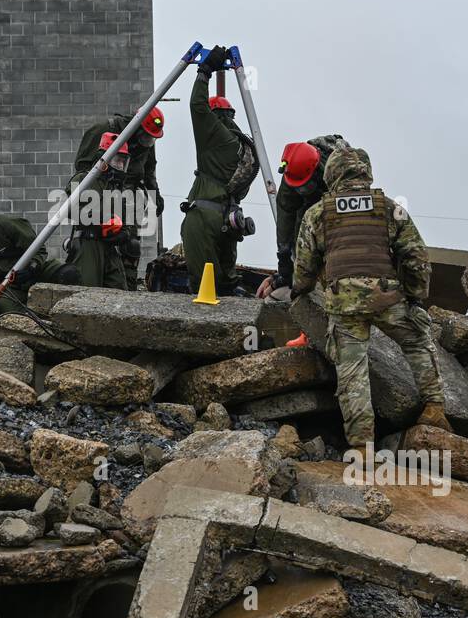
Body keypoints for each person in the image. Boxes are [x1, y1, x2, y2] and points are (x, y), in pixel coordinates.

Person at [290, 146, 450, 456]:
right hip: (386, 296)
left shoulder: (318, 212)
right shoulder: (390, 209)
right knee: (417, 342)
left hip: (343, 303)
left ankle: (362, 448)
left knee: (352, 373)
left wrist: (302, 288)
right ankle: (434, 408)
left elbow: (304, 266)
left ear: (331, 175)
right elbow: (416, 256)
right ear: (366, 172)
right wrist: (415, 297)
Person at [178, 45, 259, 296]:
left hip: (203, 220)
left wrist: (204, 71)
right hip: (228, 219)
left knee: (203, 290)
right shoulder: (243, 145)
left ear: (216, 116)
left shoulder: (214, 135)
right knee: (225, 286)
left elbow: (197, 106)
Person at [73, 106, 165, 288]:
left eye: (151, 138)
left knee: (130, 244)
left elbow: (149, 170)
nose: (147, 142)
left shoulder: (145, 143)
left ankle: (128, 286)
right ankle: (98, 275)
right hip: (103, 191)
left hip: (129, 195)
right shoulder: (103, 131)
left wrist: (155, 193)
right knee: (102, 238)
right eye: (146, 136)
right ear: (137, 127)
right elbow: (82, 166)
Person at [257, 135, 348, 300]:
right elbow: (285, 215)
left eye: (304, 187)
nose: (301, 190)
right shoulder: (292, 171)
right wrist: (284, 260)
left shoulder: (338, 171)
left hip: (334, 204)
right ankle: (299, 275)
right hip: (310, 199)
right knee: (300, 229)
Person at [64, 132, 132, 290]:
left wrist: (124, 233)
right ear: (105, 159)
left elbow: (126, 222)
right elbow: (69, 210)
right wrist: (100, 218)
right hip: (88, 245)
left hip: (110, 247)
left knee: (120, 293)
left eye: (123, 161)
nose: (121, 166)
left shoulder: (118, 190)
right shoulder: (84, 180)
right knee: (88, 291)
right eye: (117, 160)